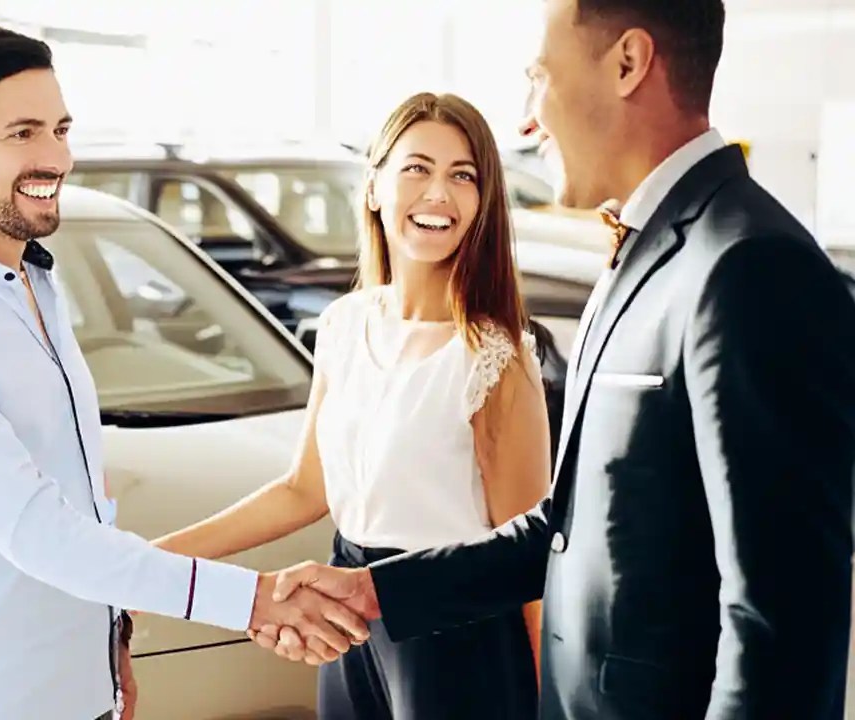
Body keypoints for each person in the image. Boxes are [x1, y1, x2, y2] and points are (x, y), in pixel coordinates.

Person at [261, 1, 855, 718]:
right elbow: (565, 526)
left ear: (628, 64)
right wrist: (376, 590)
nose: (525, 119)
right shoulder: (638, 254)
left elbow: (780, 616)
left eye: (538, 77)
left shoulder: (749, 266)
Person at [0, 25, 367, 720]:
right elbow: (39, 533)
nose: (56, 157)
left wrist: (110, 642)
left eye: (60, 129)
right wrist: (255, 598)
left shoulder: (32, 280)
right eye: (22, 133)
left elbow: (79, 504)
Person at [154, 92, 550, 719]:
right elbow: (303, 489)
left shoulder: (497, 355)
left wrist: (549, 699)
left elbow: (529, 560)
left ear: (483, 202)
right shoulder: (345, 323)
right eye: (417, 168)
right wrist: (150, 561)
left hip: (455, 637)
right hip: (348, 628)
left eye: (463, 175)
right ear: (373, 186)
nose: (439, 194)